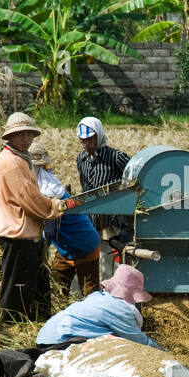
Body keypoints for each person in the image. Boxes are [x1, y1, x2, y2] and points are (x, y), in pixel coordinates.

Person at [0, 112, 69, 321]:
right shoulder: (11, 162)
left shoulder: (20, 157)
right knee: (16, 289)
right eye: (21, 134)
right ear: (10, 136)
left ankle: (41, 322)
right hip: (17, 235)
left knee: (38, 285)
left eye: (29, 134)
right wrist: (56, 206)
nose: (26, 138)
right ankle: (11, 326)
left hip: (27, 234)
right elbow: (28, 198)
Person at [30, 141, 101, 296]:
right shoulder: (49, 186)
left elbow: (49, 231)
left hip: (84, 245)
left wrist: (36, 254)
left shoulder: (49, 192)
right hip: (66, 248)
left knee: (91, 294)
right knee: (57, 289)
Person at [36, 264, 162, 349]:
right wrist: (168, 355)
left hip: (44, 338)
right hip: (57, 344)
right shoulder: (120, 310)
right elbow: (141, 343)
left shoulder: (97, 296)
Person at [75, 117, 132, 281]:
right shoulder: (81, 159)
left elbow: (132, 182)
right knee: (93, 258)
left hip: (111, 220)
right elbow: (84, 187)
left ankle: (112, 292)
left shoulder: (115, 157)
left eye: (90, 139)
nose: (86, 143)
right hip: (90, 218)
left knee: (109, 260)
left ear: (98, 135)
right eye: (83, 140)